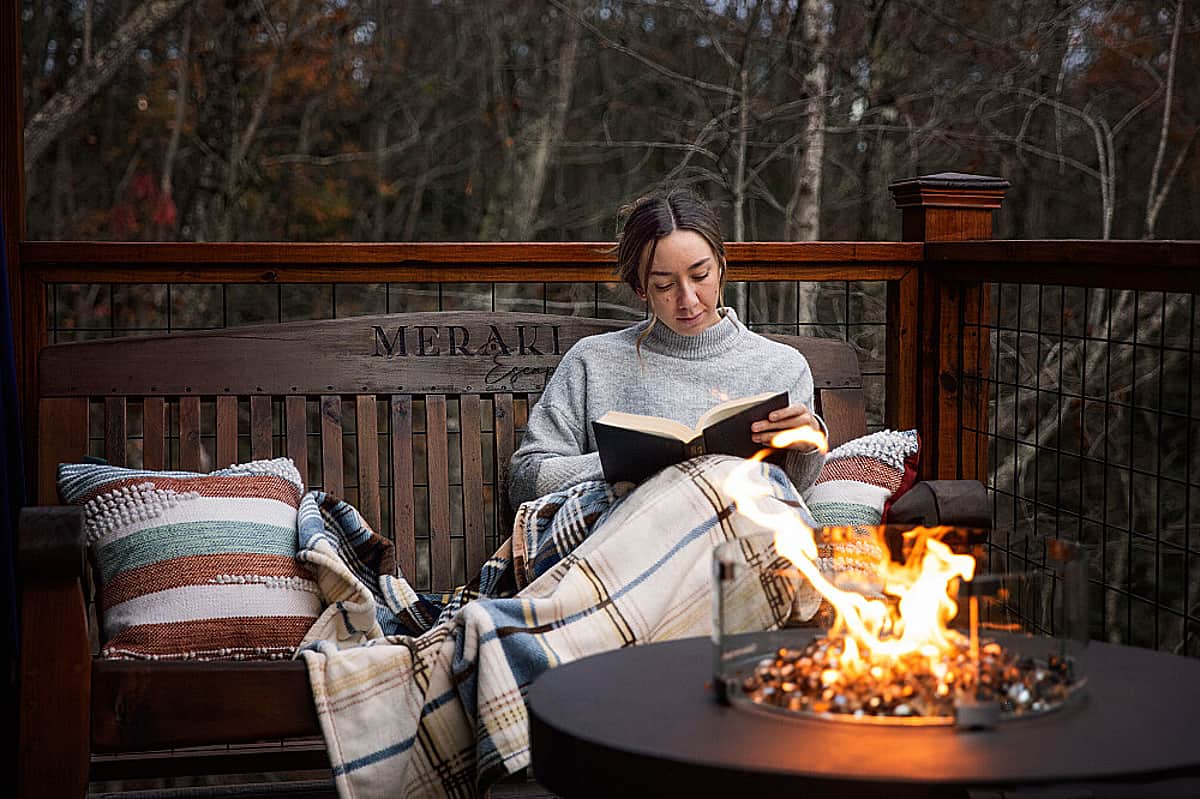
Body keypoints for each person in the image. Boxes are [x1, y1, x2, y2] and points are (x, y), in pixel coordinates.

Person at [508, 187, 826, 509]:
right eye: (665, 285)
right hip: (631, 539)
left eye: (700, 275)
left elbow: (792, 496)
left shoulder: (782, 366)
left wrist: (808, 446)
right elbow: (525, 479)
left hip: (738, 538)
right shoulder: (592, 362)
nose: (688, 300)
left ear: (721, 268)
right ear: (639, 288)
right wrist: (620, 464)